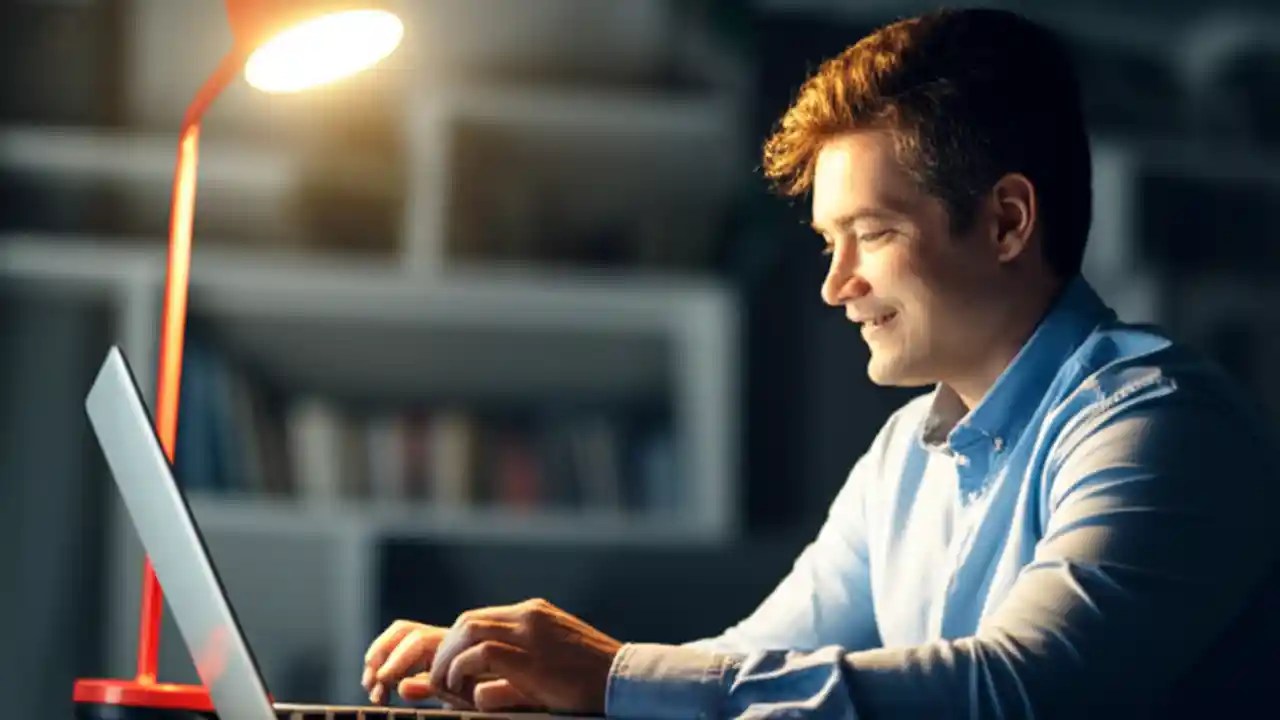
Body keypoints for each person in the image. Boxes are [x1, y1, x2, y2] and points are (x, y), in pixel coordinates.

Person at [361, 8, 1280, 718]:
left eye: (871, 234)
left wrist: (612, 676)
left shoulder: (1156, 422)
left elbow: (1024, 689)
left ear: (1006, 221)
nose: (836, 285)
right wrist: (527, 680)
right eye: (827, 243)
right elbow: (756, 658)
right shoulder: (902, 458)